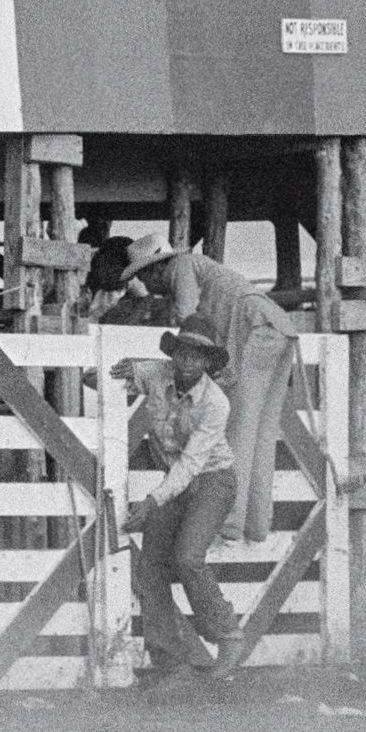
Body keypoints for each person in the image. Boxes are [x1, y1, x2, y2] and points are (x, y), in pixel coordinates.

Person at [122, 229, 299, 545]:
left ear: (156, 268)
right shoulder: (199, 267)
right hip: (278, 326)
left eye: (144, 276)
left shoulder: (181, 266)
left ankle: (229, 522)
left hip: (256, 328)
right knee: (262, 431)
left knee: (239, 429)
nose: (146, 286)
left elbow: (186, 317)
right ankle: (256, 525)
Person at [118, 314, 243, 682]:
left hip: (212, 480)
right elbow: (105, 376)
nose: (189, 360)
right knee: (151, 564)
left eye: (198, 355)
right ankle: (168, 660)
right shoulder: (156, 373)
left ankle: (227, 634)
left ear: (207, 362)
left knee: (188, 556)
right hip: (175, 481)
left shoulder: (216, 403)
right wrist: (111, 372)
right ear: (174, 354)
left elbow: (191, 465)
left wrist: (151, 502)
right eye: (183, 351)